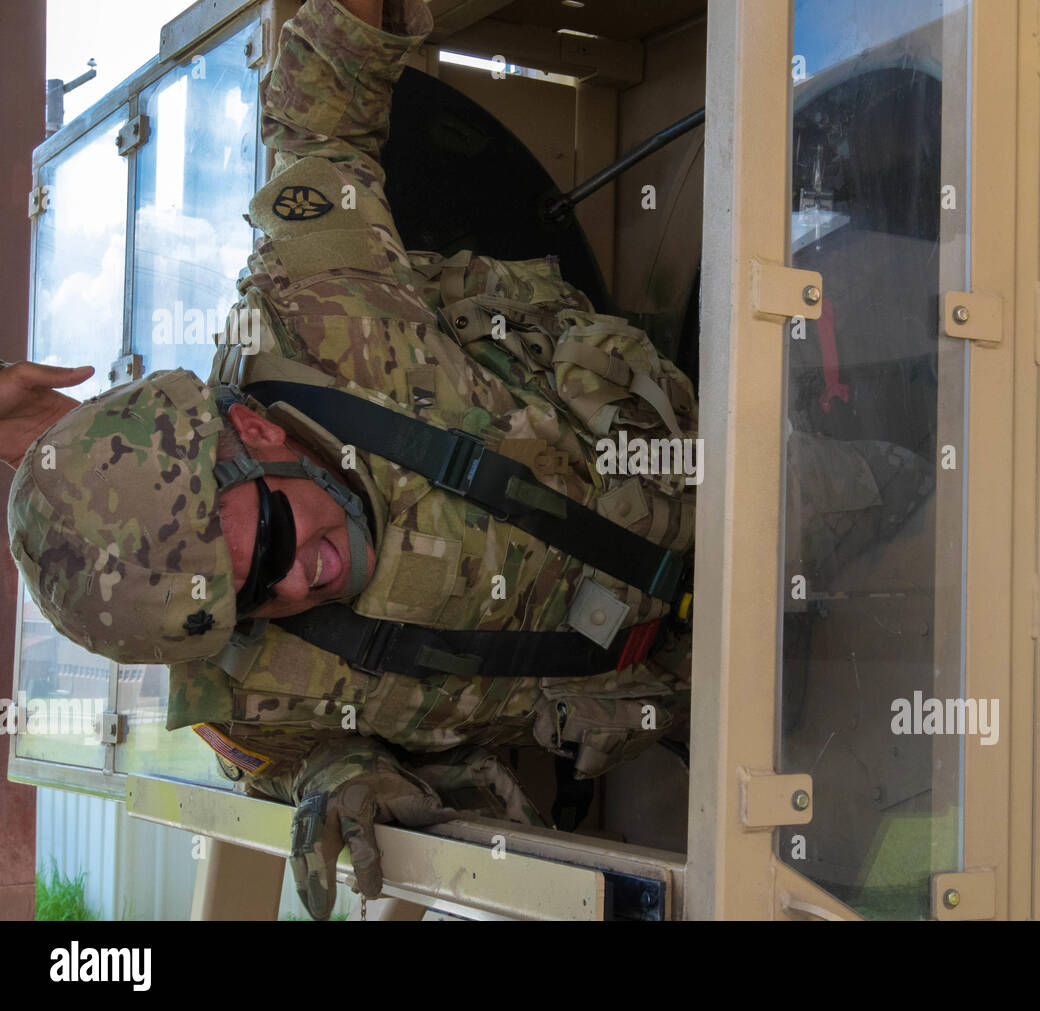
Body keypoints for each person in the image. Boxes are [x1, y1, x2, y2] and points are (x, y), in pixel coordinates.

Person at [6, 0, 695, 919]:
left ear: (254, 431)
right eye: (251, 601)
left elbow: (316, 104)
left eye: (277, 539)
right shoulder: (240, 690)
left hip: (702, 465)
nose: (299, 585)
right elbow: (305, 759)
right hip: (686, 677)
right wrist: (347, 779)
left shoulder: (316, 308)